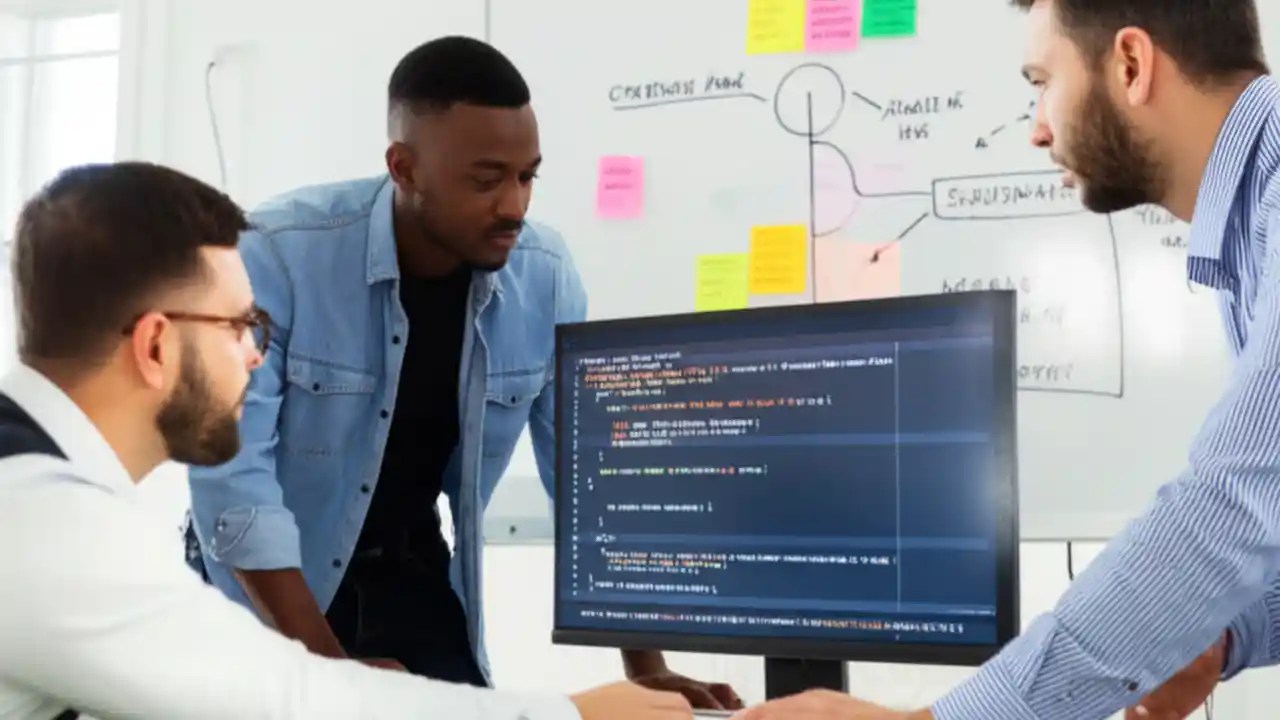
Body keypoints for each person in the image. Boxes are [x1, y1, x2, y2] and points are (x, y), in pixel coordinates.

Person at [735, 0, 1280, 719]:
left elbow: (1232, 503)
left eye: (1040, 81)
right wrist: (1228, 634)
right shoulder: (1250, 220)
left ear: (1131, 64)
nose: (1037, 128)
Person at [0, 161, 694, 720]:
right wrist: (578, 715)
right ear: (156, 344)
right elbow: (288, 699)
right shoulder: (45, 526)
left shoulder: (41, 494)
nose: (254, 357)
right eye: (241, 326)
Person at [184, 35, 741, 710]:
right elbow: (234, 489)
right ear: (404, 167)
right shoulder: (273, 257)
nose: (515, 205)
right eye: (486, 180)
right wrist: (336, 679)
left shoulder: (547, 276)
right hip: (264, 586)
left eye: (527, 175)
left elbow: (588, 481)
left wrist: (645, 667)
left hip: (408, 569)